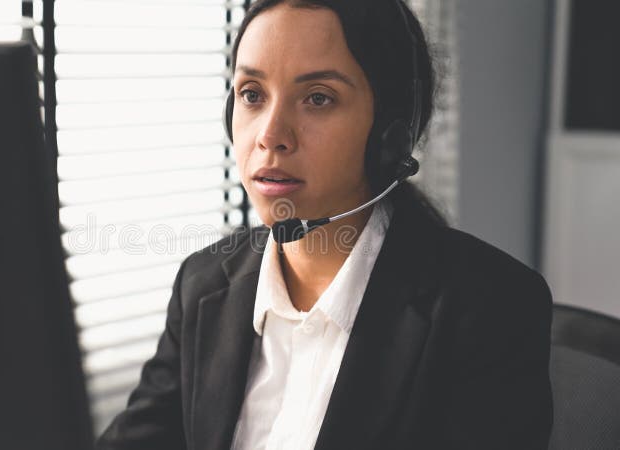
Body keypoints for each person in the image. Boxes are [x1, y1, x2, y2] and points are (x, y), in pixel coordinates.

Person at [96, 0, 553, 449]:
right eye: (251, 94)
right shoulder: (202, 285)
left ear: (390, 135)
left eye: (318, 98)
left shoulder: (490, 307)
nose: (271, 135)